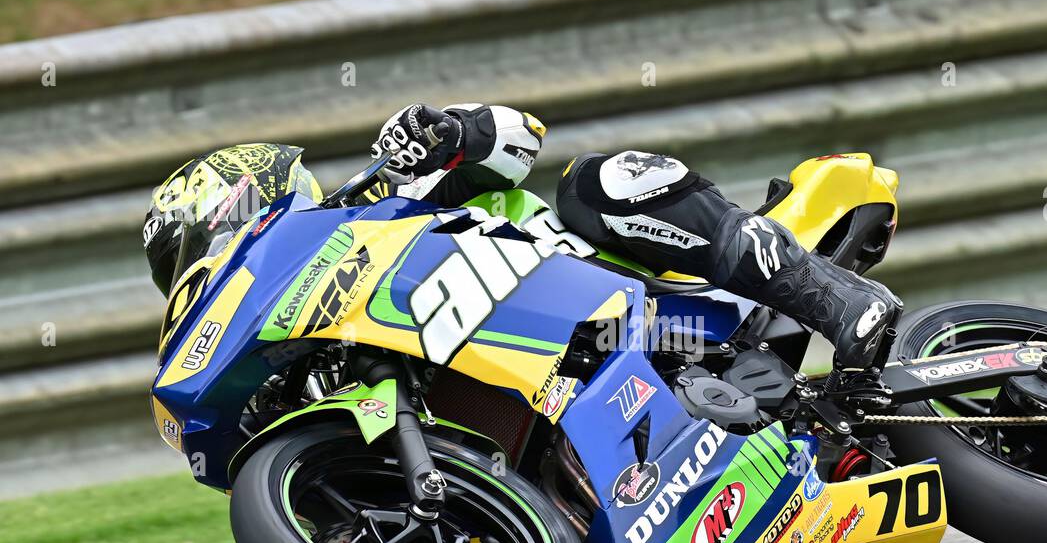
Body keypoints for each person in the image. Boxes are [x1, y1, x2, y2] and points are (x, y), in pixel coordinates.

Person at [143, 102, 900, 367]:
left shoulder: (383, 192)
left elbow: (521, 136)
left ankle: (833, 299)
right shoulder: (325, 313)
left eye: (189, 248)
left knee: (593, 182)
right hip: (566, 357)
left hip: (629, 291)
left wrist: (449, 133)